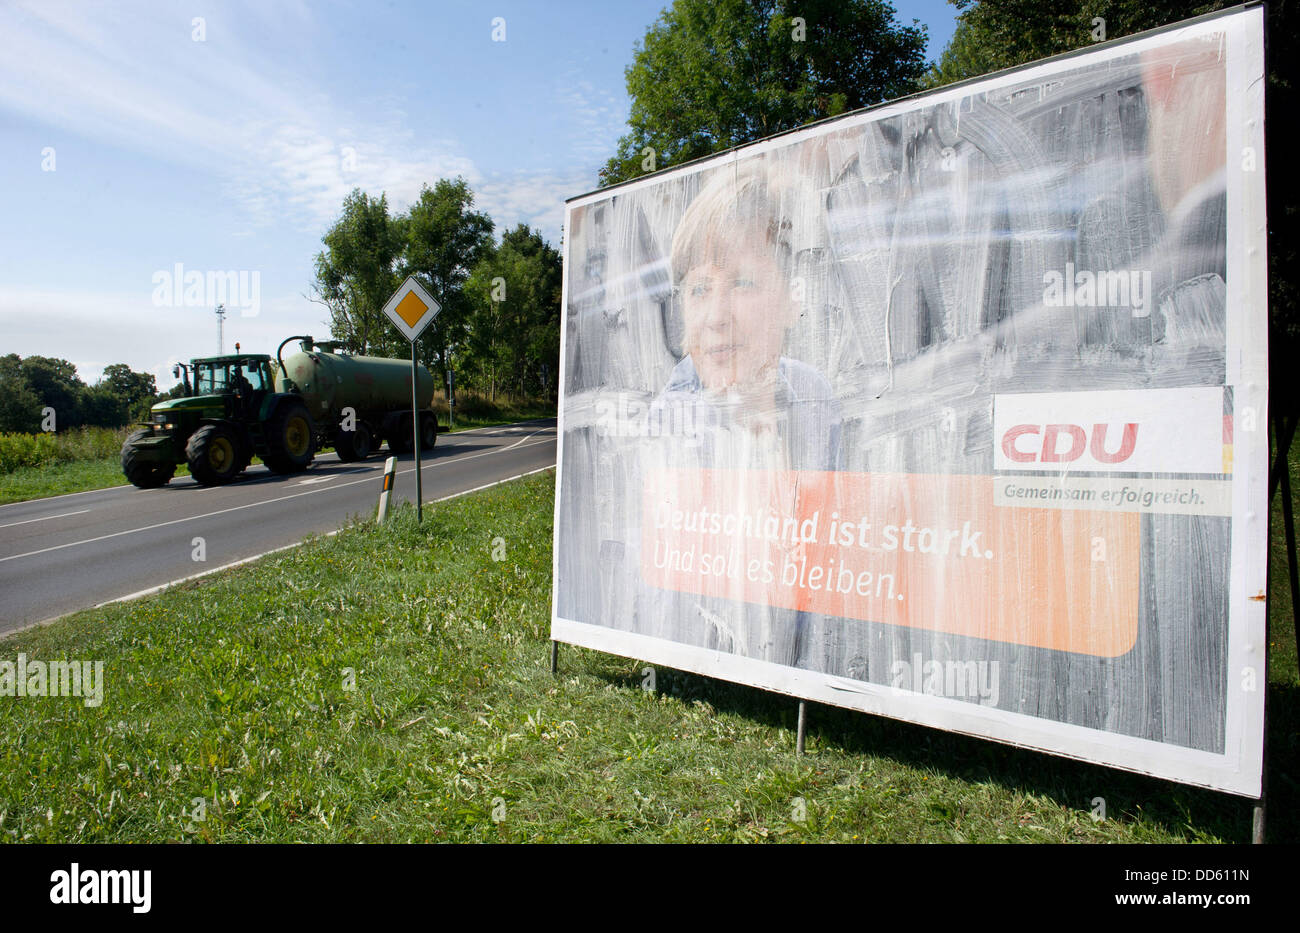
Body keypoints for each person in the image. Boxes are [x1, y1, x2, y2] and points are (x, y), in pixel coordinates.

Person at [642, 160, 842, 667]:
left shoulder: (816, 399)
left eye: (744, 283)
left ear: (788, 293)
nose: (715, 318)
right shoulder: (668, 429)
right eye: (699, 289)